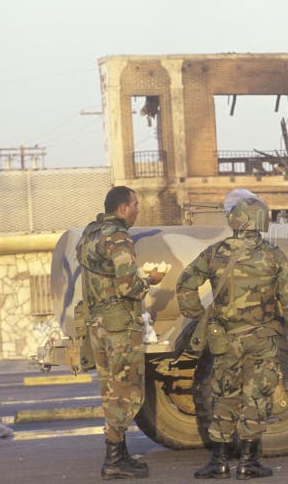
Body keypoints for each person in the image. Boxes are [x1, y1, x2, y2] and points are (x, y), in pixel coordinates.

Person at [176, 190, 288, 479]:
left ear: (236, 220)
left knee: (224, 396)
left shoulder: (215, 252)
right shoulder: (274, 256)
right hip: (263, 340)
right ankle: (249, 462)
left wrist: (201, 318)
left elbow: (185, 285)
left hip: (225, 339)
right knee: (257, 398)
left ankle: (219, 462)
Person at [76, 186, 165, 479]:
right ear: (124, 208)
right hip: (119, 326)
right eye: (136, 204)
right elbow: (128, 287)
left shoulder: (89, 234)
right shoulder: (119, 238)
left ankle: (119, 453)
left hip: (97, 323)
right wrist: (150, 280)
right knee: (126, 392)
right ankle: (114, 458)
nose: (138, 209)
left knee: (110, 390)